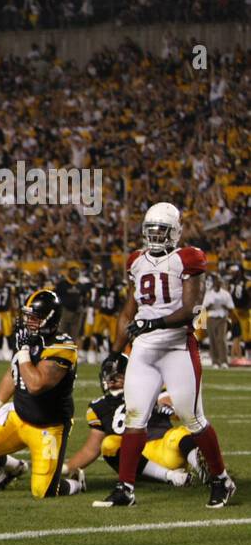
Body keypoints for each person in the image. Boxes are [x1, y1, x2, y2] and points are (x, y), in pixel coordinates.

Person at [95, 203, 235, 509]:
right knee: (135, 417)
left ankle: (221, 479)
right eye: (152, 230)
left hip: (176, 347)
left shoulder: (187, 258)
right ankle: (126, 488)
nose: (156, 236)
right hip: (144, 349)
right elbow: (128, 311)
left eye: (162, 230)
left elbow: (190, 309)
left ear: (175, 232)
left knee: (192, 417)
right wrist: (116, 353)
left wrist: (154, 322)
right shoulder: (135, 261)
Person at [0, 289, 84, 498]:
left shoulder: (63, 348)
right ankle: (14, 468)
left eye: (34, 317)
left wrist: (23, 352)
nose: (28, 322)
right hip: (17, 415)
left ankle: (74, 482)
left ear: (50, 319)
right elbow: (14, 373)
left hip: (48, 426)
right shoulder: (29, 339)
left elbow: (35, 384)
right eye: (28, 316)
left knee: (44, 491)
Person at [63, 354, 206, 489]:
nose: (112, 381)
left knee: (180, 433)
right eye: (110, 377)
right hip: (136, 462)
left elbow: (172, 404)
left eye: (118, 377)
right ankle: (171, 477)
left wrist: (170, 406)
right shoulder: (99, 406)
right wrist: (64, 468)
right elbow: (91, 449)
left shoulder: (147, 388)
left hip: (164, 450)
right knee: (109, 444)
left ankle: (207, 472)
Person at [203, 274, 233, 369]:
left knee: (221, 339)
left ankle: (224, 361)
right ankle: (215, 362)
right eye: (216, 282)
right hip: (211, 317)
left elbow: (231, 307)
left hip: (222, 317)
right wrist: (210, 306)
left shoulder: (225, 294)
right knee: (212, 340)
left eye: (220, 282)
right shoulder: (209, 294)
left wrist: (225, 306)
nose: (218, 284)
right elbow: (204, 308)